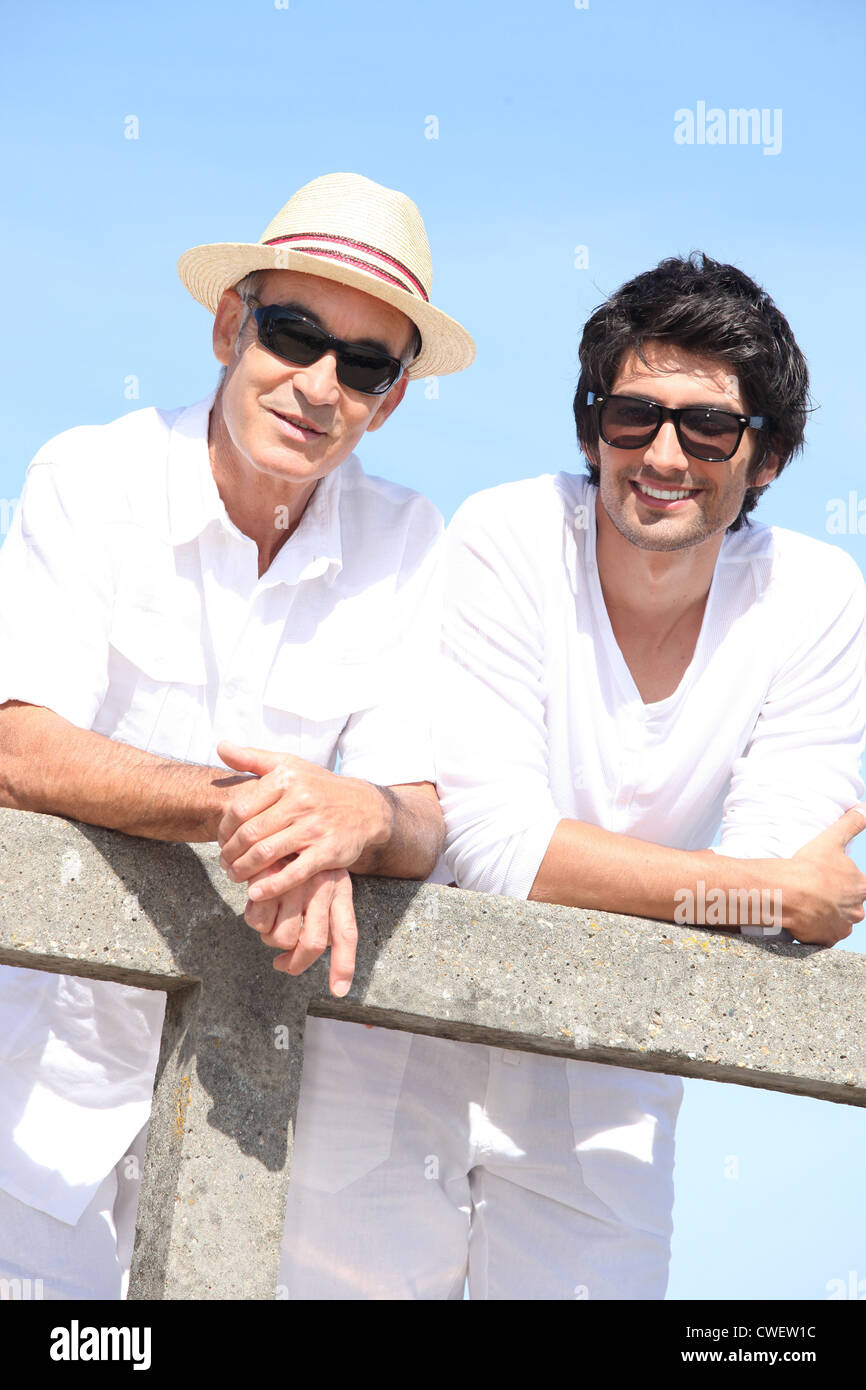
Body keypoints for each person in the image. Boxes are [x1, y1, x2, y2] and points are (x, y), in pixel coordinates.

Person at [278, 252, 866, 1300]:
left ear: (765, 457)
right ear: (590, 429)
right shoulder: (507, 535)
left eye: (708, 426)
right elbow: (493, 849)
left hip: (610, 1086)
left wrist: (763, 892)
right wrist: (765, 890)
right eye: (631, 416)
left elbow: (768, 899)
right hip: (395, 1042)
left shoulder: (815, 597)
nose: (663, 453)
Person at [0, 171, 474, 1299]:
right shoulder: (92, 474)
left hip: (248, 1114)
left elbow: (422, 816)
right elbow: (19, 746)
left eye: (363, 363)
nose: (319, 384)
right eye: (293, 333)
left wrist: (358, 815)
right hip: (27, 1088)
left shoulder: (409, 539)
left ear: (392, 398)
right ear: (229, 325)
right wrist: (256, 810)